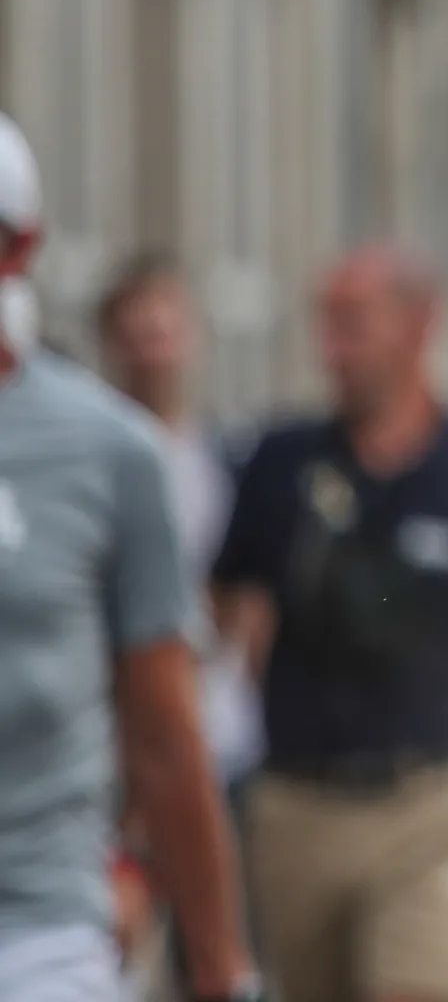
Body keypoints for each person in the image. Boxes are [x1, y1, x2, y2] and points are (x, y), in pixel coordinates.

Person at [211, 245, 448, 1002]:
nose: (332, 350)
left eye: (353, 325)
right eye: (326, 326)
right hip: (299, 807)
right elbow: (229, 625)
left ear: (419, 328)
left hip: (437, 804)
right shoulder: (280, 465)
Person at [0, 113, 260, 1002]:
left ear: (19, 247)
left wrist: (222, 967)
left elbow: (164, 730)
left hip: (39, 931)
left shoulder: (109, 454)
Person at [96, 255, 264, 786]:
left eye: (165, 332)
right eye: (138, 334)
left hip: (216, 731)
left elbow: (247, 595)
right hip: (113, 735)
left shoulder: (230, 458)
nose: (154, 353)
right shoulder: (93, 460)